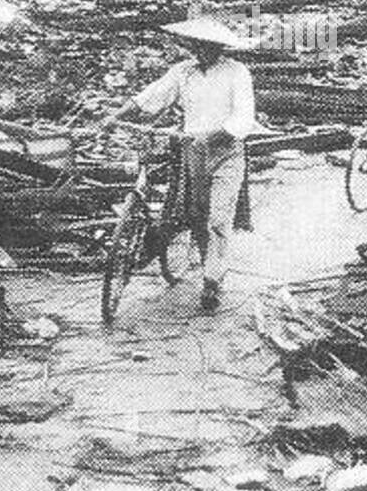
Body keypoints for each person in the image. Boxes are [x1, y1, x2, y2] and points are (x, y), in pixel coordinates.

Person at [103, 16, 257, 310]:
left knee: (218, 220)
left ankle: (213, 280)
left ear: (219, 47)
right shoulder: (183, 72)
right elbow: (150, 97)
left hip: (226, 152)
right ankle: (207, 261)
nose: (201, 51)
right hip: (192, 151)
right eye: (196, 46)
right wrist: (115, 116)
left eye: (208, 46)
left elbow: (244, 116)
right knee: (197, 215)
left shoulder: (237, 72)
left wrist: (215, 135)